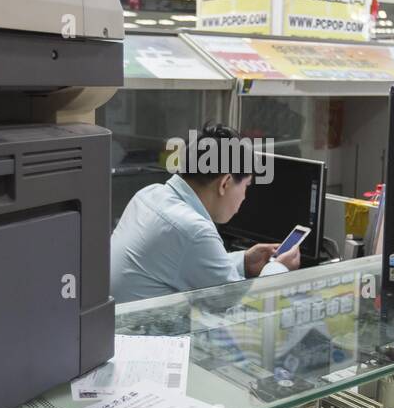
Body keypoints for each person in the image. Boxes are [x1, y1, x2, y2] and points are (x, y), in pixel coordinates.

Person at [110, 124, 301, 302]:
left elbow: (185, 263)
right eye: (246, 186)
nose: (244, 197)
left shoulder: (149, 194)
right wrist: (279, 268)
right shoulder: (195, 231)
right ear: (225, 183)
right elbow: (242, 310)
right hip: (145, 335)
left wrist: (243, 261)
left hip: (111, 328)